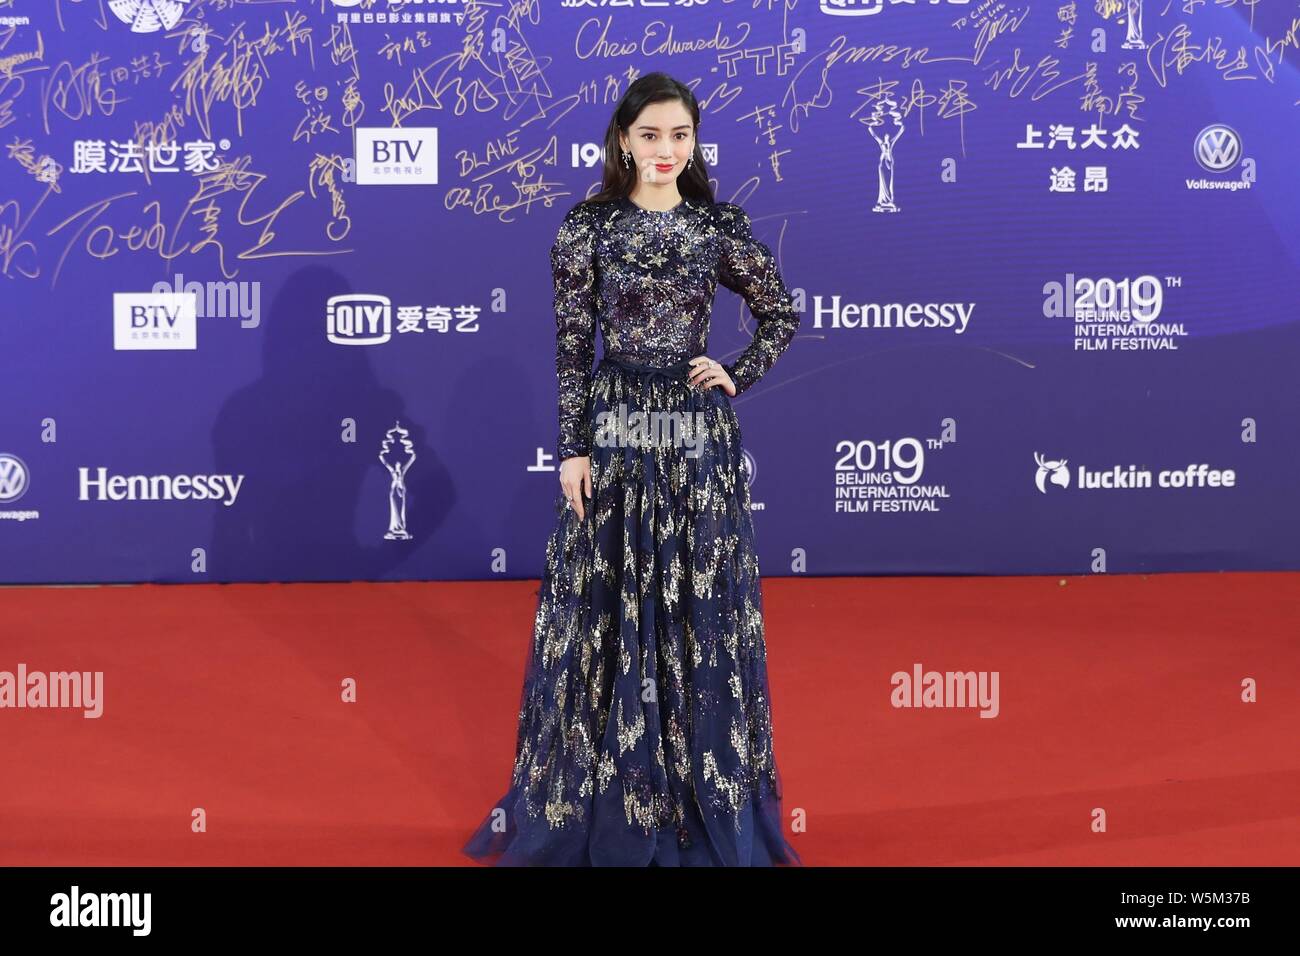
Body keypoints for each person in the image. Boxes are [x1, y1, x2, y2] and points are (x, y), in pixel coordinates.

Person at [462, 73, 802, 866]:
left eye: (679, 135)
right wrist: (573, 450)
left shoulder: (718, 227)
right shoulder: (588, 230)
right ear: (623, 139)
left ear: (694, 141)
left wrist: (737, 370)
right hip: (615, 431)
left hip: (693, 439)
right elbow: (573, 348)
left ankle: (695, 800)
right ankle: (611, 802)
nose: (665, 151)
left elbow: (782, 311)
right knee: (608, 614)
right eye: (650, 135)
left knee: (696, 616)